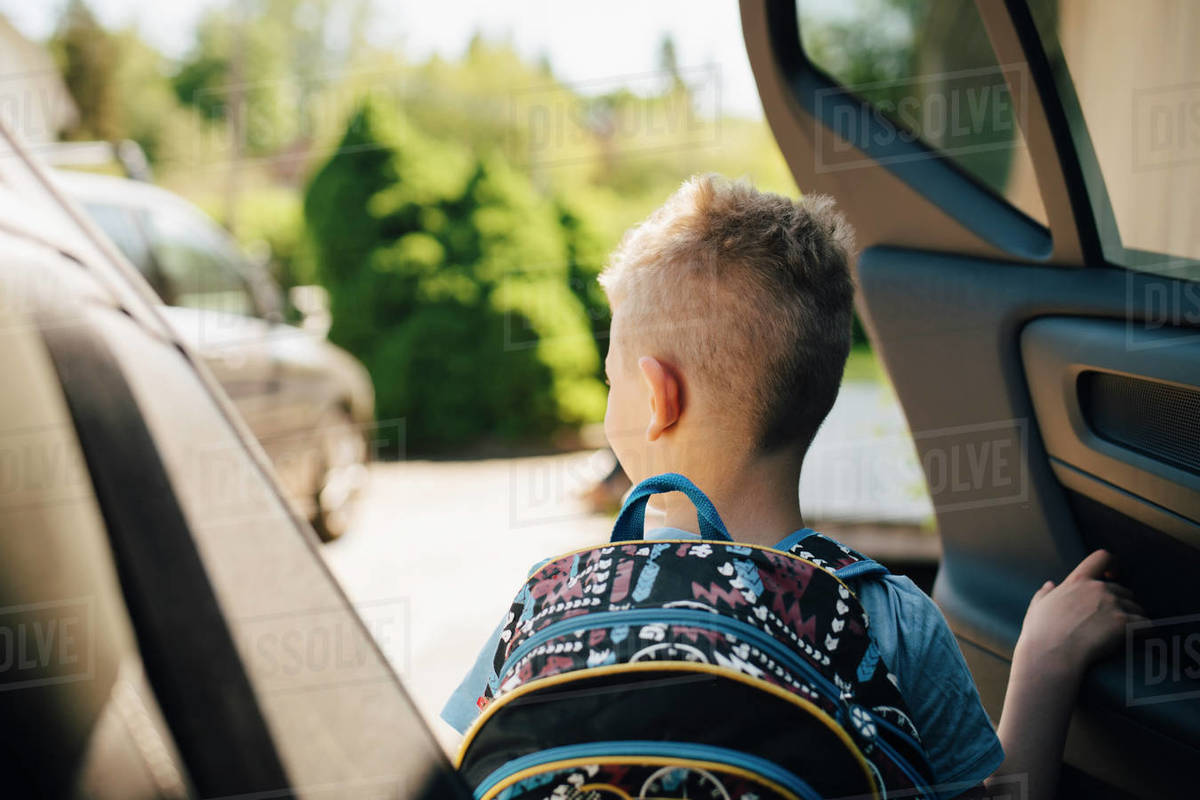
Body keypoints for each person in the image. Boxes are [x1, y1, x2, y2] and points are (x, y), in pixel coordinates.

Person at [442, 176, 1143, 799]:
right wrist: (1046, 664)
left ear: (658, 398)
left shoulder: (549, 603)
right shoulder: (889, 618)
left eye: (609, 380)